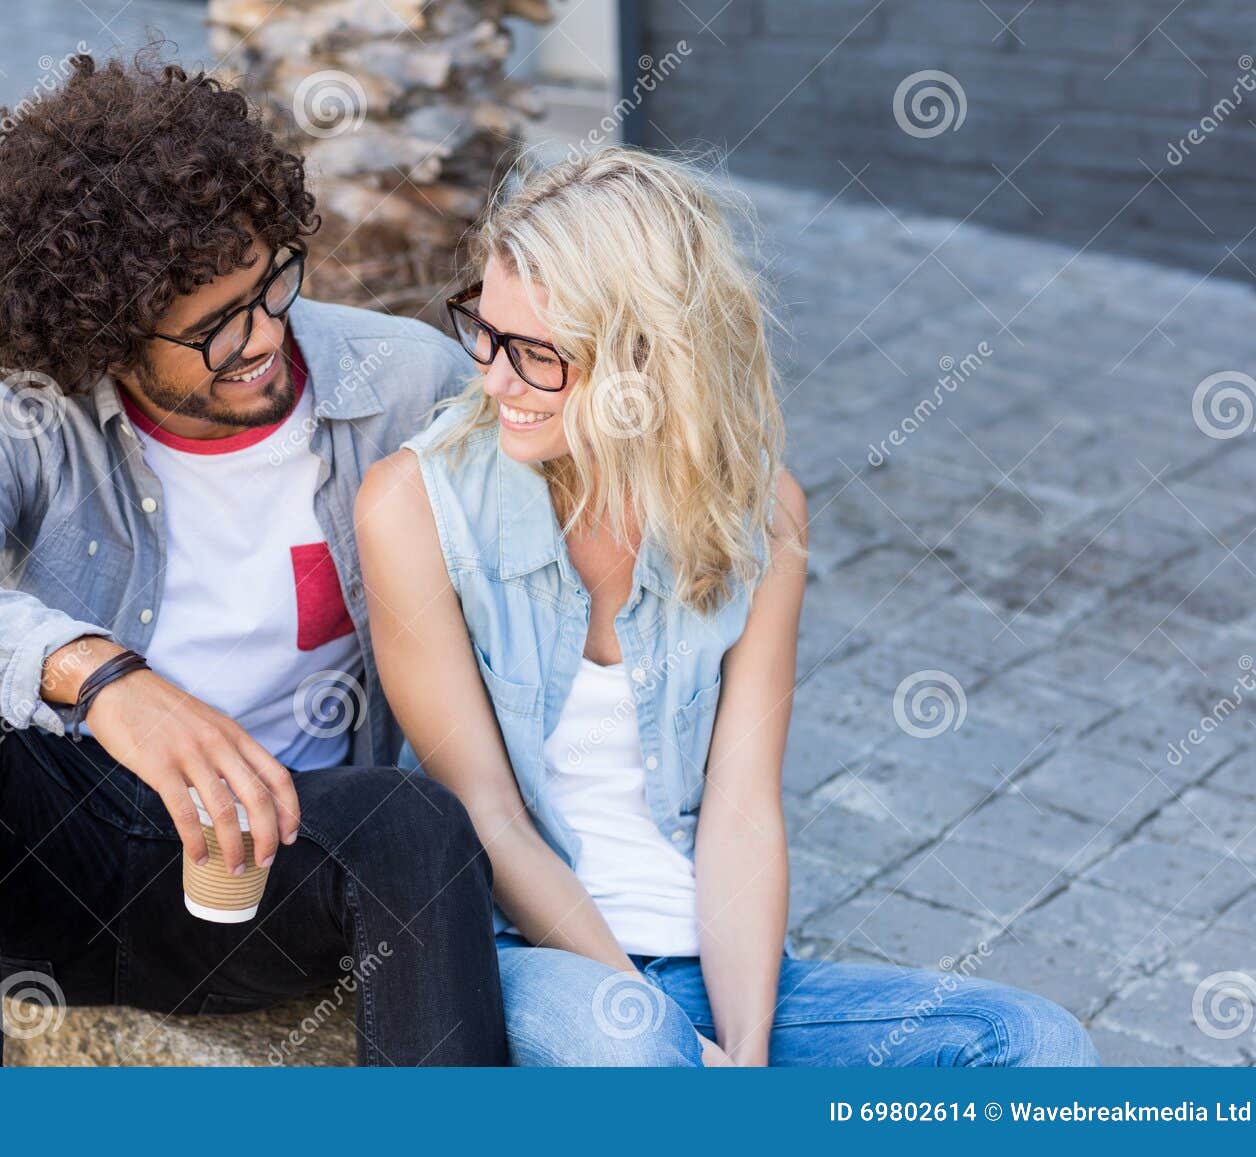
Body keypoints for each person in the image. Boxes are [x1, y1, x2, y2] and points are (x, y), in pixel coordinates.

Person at [0, 47, 507, 1067]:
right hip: (63, 873)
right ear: (104, 336)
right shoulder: (17, 403)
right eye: (214, 329)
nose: (265, 335)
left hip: (277, 871)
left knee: (409, 821)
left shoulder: (406, 387)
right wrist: (101, 678)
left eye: (271, 284)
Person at [354, 147, 1100, 1067]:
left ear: (645, 360)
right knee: (637, 1051)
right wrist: (659, 1030)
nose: (492, 377)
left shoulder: (758, 512)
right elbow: (488, 815)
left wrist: (741, 1053)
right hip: (528, 961)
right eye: (485, 329)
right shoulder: (414, 506)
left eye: (538, 355)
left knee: (1033, 1046)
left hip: (713, 964)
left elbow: (742, 809)